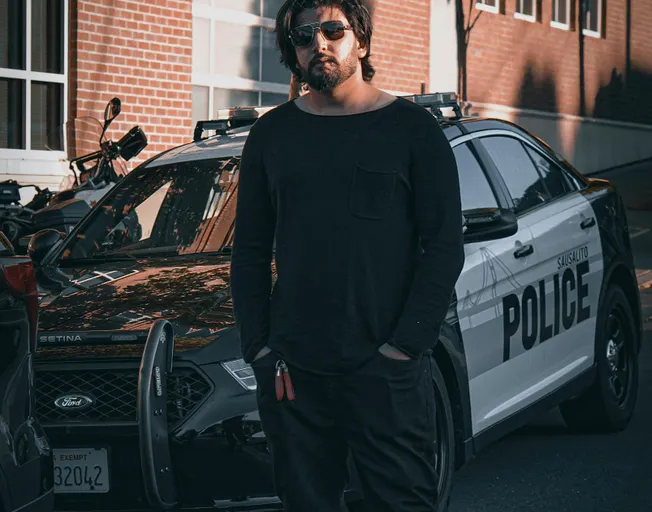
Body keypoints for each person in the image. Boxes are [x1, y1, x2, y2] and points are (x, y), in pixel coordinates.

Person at [229, 0, 465, 510]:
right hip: (295, 376)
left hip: (385, 370)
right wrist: (261, 351)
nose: (319, 43)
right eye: (304, 35)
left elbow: (444, 247)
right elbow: (248, 251)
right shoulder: (272, 136)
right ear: (292, 53)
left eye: (333, 30)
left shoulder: (413, 132)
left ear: (360, 39)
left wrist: (405, 350)